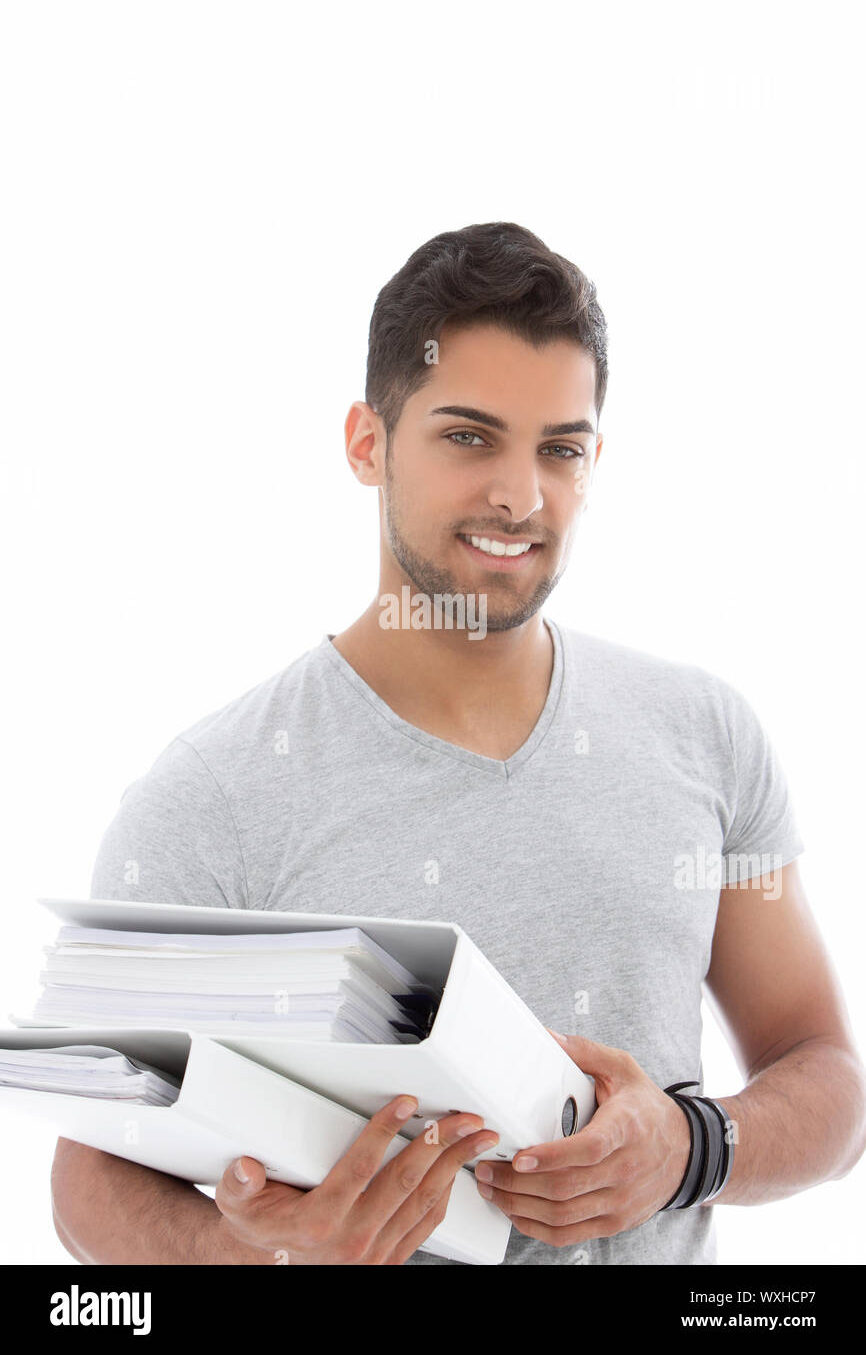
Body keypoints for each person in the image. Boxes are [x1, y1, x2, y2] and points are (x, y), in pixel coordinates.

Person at [51, 221, 865, 1266]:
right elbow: (87, 1179)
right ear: (366, 442)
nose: (519, 497)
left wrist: (688, 1147)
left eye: (559, 448)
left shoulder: (706, 734)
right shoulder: (213, 795)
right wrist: (266, 1255)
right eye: (468, 436)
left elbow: (827, 1077)